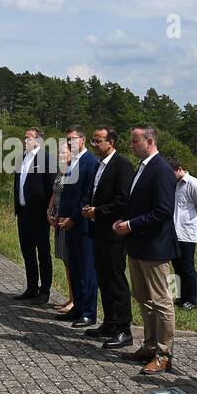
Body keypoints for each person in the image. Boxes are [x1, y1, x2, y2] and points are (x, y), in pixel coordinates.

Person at [113, 126, 177, 375]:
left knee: (161, 301)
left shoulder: (161, 169)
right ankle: (150, 345)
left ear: (149, 141)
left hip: (155, 247)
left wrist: (130, 224)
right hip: (137, 245)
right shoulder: (143, 166)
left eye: (135, 141)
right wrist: (122, 220)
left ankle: (164, 352)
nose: (131, 145)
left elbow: (163, 211)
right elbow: (136, 203)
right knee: (143, 297)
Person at [80, 126, 135, 348]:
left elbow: (122, 200)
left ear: (110, 142)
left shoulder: (122, 165)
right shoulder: (98, 165)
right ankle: (109, 322)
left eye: (97, 141)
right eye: (92, 141)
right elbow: (92, 191)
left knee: (116, 280)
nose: (94, 145)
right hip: (97, 230)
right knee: (103, 278)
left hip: (113, 232)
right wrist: (87, 207)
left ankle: (124, 328)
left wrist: (98, 211)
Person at [56, 126, 99, 327]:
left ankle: (89, 312)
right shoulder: (72, 161)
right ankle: (78, 307)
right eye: (67, 140)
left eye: (72, 139)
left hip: (81, 224)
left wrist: (73, 217)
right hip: (68, 223)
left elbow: (86, 194)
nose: (69, 143)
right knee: (74, 268)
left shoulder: (89, 162)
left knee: (86, 269)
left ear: (82, 140)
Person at [13, 127, 55, 303]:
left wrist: (48, 211)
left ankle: (44, 291)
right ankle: (31, 287)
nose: (24, 141)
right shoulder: (21, 158)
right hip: (23, 212)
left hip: (39, 214)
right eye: (24, 138)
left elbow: (52, 188)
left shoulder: (47, 159)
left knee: (43, 252)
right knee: (27, 251)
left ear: (38, 141)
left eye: (28, 138)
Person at [168, 159, 197, 311]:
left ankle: (191, 300)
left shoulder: (194, 183)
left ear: (179, 169)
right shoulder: (173, 184)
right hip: (173, 232)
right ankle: (177, 296)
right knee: (175, 266)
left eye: (171, 173)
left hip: (187, 233)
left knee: (187, 267)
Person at [47, 142, 75, 314]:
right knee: (65, 261)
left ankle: (75, 300)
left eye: (64, 153)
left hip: (66, 219)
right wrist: (48, 211)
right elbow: (54, 193)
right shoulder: (61, 170)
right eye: (59, 153)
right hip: (57, 218)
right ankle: (71, 298)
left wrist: (58, 215)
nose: (61, 156)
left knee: (71, 261)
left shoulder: (74, 171)